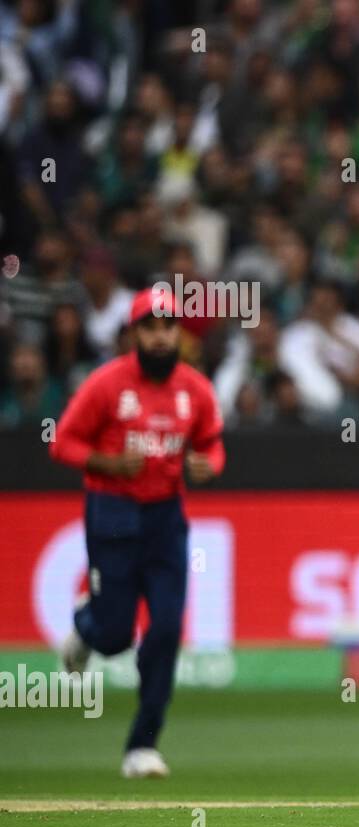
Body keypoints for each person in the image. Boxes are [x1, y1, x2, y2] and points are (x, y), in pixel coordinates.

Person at [48, 288, 225, 778]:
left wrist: (206, 466)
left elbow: (212, 445)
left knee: (167, 629)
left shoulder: (195, 389)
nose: (161, 336)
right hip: (113, 513)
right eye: (151, 327)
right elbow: (61, 443)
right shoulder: (107, 384)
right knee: (114, 636)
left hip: (166, 518)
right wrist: (106, 462)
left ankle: (141, 746)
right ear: (134, 334)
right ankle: (86, 628)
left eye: (169, 327)